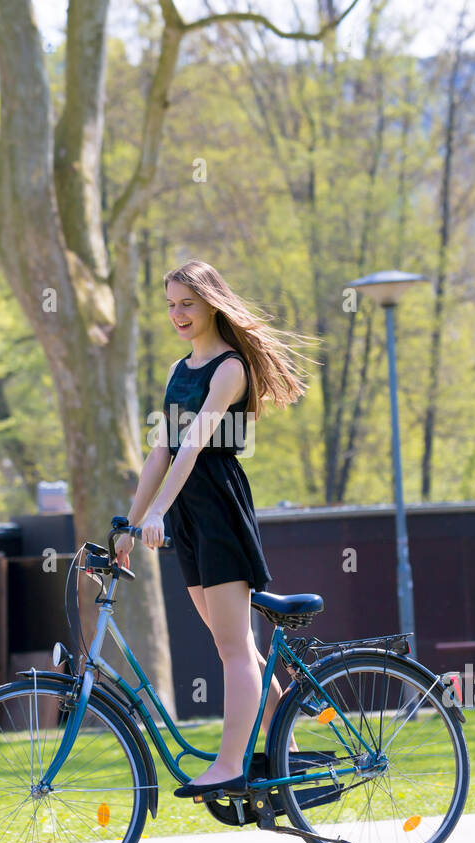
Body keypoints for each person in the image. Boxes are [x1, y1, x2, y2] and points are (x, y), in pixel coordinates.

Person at [114, 259, 316, 798]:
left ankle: (231, 765)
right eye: (171, 305)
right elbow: (161, 450)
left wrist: (157, 513)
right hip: (185, 513)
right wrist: (130, 525)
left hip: (218, 509)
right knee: (235, 646)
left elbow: (196, 443)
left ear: (211, 303)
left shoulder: (229, 368)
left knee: (233, 648)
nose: (178, 314)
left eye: (188, 303)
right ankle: (285, 749)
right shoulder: (179, 369)